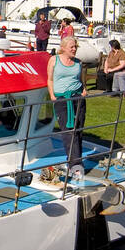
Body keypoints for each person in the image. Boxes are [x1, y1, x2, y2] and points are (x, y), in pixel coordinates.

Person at [47, 36, 87, 177]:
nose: (74, 49)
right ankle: (75, 164)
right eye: (72, 47)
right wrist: (52, 95)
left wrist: (83, 91)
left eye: (75, 47)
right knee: (68, 132)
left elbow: (80, 79)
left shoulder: (78, 63)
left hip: (77, 98)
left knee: (78, 130)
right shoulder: (54, 60)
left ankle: (75, 161)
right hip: (62, 99)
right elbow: (50, 79)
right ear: (63, 47)